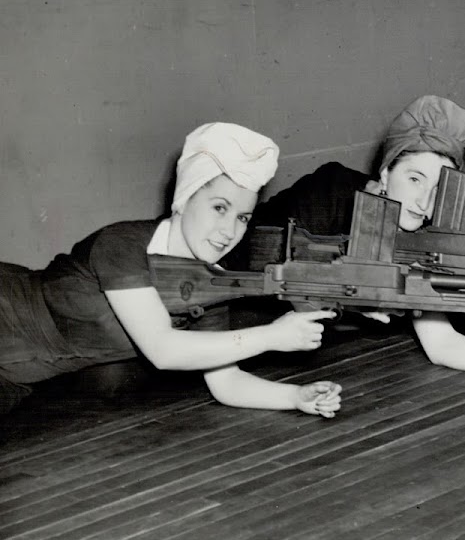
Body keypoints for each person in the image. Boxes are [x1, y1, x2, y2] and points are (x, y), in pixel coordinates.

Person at [0, 123, 342, 416]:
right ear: (183, 200)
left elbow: (225, 381)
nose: (229, 230)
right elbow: (163, 350)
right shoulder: (122, 245)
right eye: (219, 208)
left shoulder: (206, 281)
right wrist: (271, 337)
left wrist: (295, 397)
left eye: (242, 217)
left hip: (16, 376)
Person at [251, 96, 465, 373]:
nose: (424, 202)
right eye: (414, 179)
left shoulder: (423, 239)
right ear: (386, 173)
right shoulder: (327, 195)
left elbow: (440, 343)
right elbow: (257, 260)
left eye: (438, 188)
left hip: (334, 367)